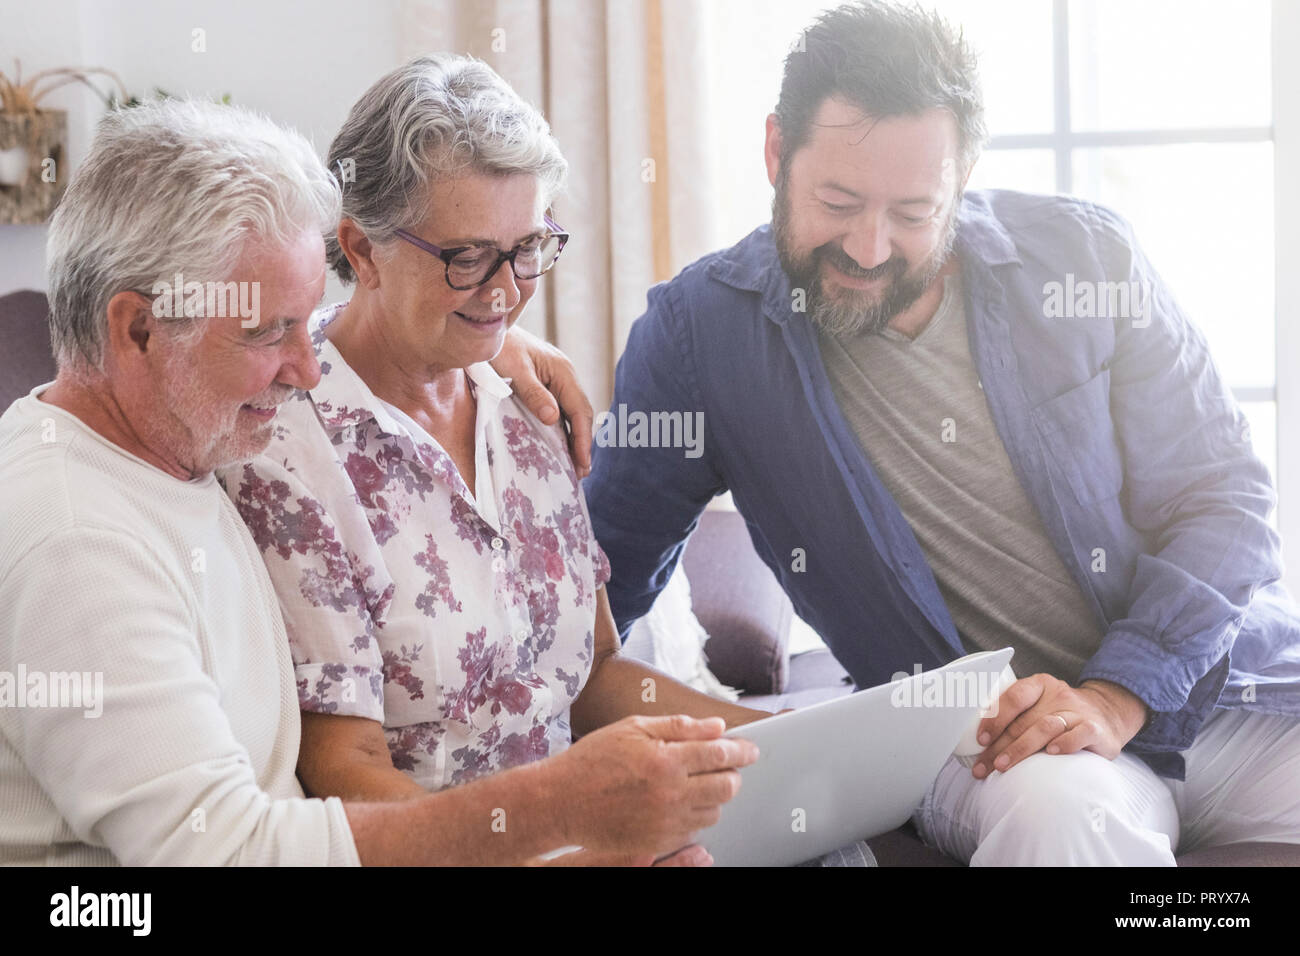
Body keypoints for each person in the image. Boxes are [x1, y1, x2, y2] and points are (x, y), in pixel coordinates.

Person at [583, 0, 1300, 865]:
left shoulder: (1084, 257)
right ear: (777, 152)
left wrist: (1115, 696)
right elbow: (592, 586)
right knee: (1056, 821)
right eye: (838, 202)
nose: (871, 247)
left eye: (914, 213)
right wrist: (491, 343)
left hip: (1220, 695)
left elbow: (1224, 500)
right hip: (993, 747)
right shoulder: (701, 335)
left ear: (963, 177)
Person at [0, 96, 758, 866]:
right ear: (136, 331)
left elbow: (371, 322)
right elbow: (225, 856)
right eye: (269, 333)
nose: (306, 370)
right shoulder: (79, 543)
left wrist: (481, 335)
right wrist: (563, 826)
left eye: (305, 322)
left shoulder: (179, 445)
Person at [216, 55, 874, 867]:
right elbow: (345, 774)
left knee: (835, 840)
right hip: (467, 851)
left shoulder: (527, 404)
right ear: (364, 248)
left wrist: (783, 746)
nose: (506, 289)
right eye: (468, 256)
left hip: (592, 835)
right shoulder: (287, 444)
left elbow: (591, 674)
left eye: (529, 246)